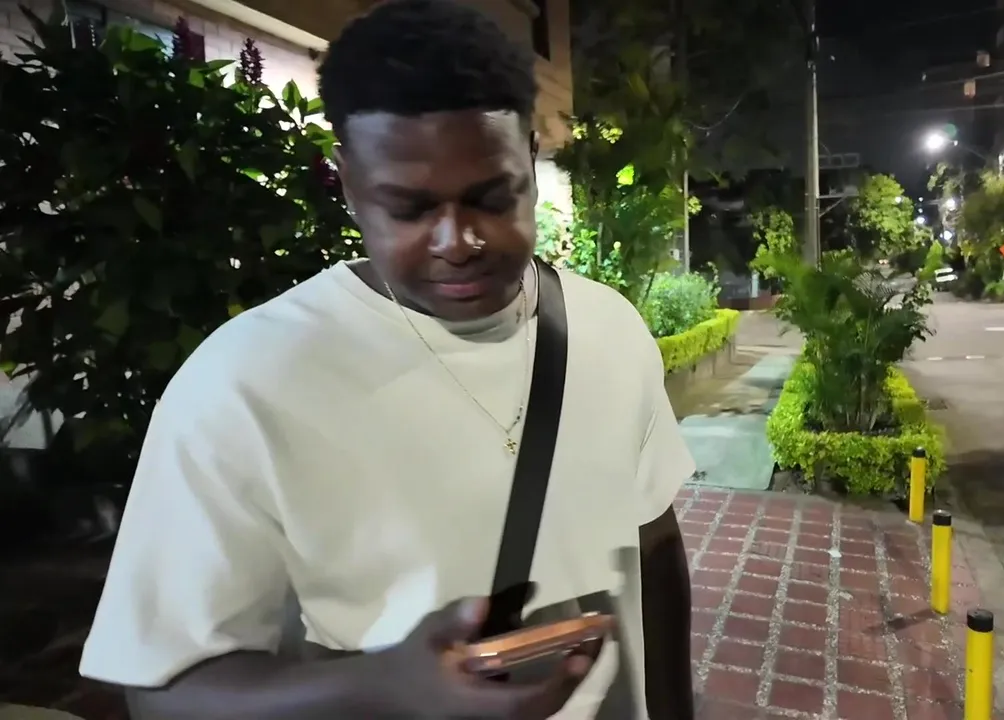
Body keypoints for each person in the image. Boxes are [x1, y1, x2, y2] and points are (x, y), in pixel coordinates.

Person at [77, 1, 696, 717]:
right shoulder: (243, 383)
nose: (457, 241)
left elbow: (654, 545)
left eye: (492, 198)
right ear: (348, 183)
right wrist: (382, 687)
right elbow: (161, 691)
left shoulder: (608, 327)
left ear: (529, 158)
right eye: (408, 208)